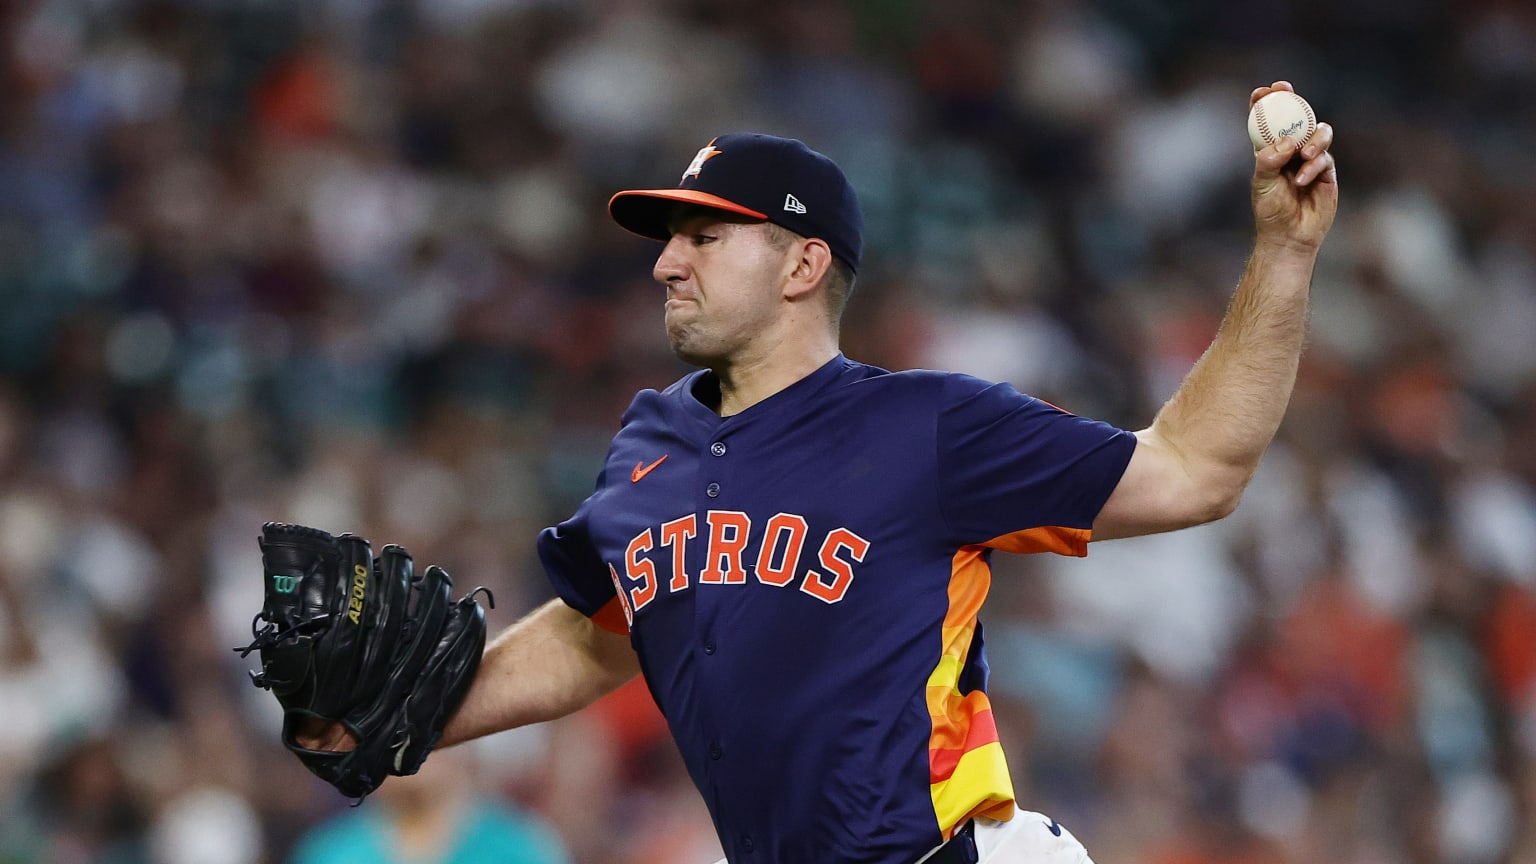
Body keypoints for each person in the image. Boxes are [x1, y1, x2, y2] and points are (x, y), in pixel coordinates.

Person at [301, 81, 1338, 864]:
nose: (668, 261)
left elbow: (1196, 470)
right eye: (671, 239)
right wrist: (407, 718)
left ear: (802, 266)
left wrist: (1283, 257)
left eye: (707, 236)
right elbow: (602, 631)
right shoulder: (647, 445)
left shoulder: (923, 427)